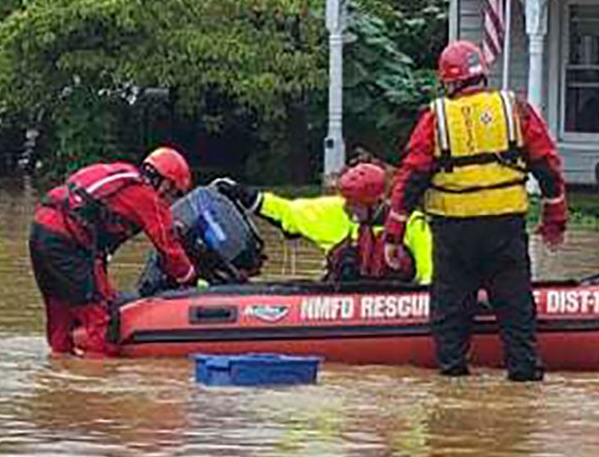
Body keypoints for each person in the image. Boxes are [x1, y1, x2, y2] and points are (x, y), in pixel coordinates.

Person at [383, 40, 568, 381]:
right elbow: (547, 167)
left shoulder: (435, 118)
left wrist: (394, 234)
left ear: (449, 81)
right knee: (516, 310)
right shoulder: (516, 109)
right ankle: (524, 375)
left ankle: (453, 381)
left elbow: (412, 178)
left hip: (454, 233)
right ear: (482, 74)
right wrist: (555, 221)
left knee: (450, 312)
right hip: (504, 229)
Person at [28, 146, 197, 356]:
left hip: (42, 231)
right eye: (174, 193)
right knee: (104, 326)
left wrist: (106, 293)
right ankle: (98, 383)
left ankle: (60, 377)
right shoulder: (144, 194)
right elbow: (167, 243)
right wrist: (189, 276)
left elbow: (96, 249)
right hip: (66, 241)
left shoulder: (121, 177)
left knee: (61, 319)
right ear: (164, 182)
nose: (171, 200)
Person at [214, 160, 434, 284]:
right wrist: (244, 194)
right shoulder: (336, 212)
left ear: (375, 203)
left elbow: (430, 276)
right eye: (346, 201)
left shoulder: (414, 226)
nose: (347, 208)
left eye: (353, 203)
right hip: (341, 302)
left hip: (390, 306)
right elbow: (287, 212)